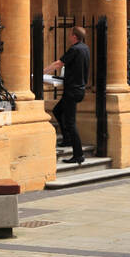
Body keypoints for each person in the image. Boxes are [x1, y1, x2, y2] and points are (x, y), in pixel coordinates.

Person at [45, 25, 90, 165]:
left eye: (71, 34)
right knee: (57, 111)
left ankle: (78, 155)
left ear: (75, 36)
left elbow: (59, 63)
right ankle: (67, 139)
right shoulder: (85, 48)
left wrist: (42, 72)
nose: (69, 36)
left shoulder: (75, 49)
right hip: (78, 89)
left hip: (72, 90)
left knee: (71, 122)